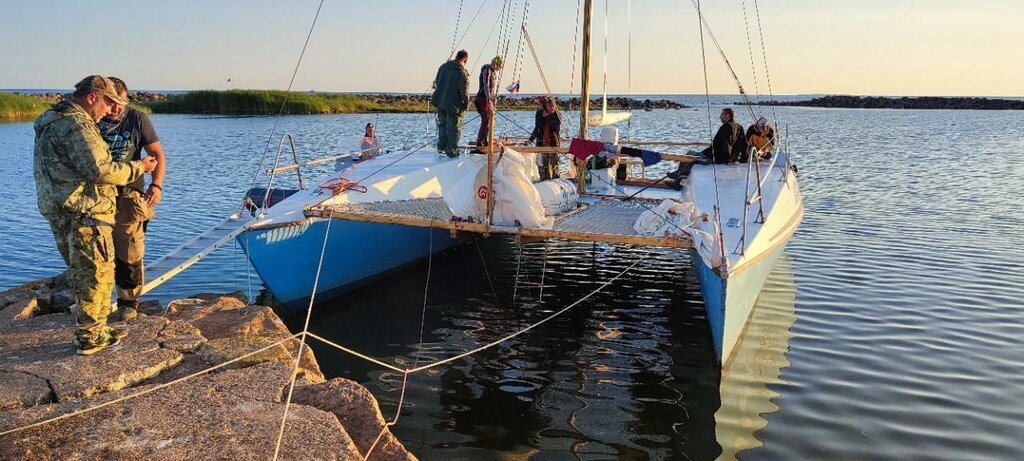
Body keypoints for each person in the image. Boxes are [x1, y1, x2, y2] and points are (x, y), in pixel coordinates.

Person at [33, 75, 157, 355]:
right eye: (107, 103)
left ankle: (97, 328)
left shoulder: (51, 119)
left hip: (61, 208)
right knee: (95, 275)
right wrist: (139, 168)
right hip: (85, 210)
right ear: (92, 98)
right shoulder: (77, 124)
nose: (108, 111)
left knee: (85, 272)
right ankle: (90, 338)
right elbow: (101, 169)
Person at [98, 77, 166, 322]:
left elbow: (157, 154)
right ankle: (97, 302)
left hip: (129, 196)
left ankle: (128, 301)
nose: (117, 108)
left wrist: (156, 185)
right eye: (113, 102)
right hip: (96, 196)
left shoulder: (137, 119)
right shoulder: (89, 120)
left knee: (130, 249)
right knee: (97, 250)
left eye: (122, 102)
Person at [668, 108, 744, 186]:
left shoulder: (726, 127)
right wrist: (743, 160)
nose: (720, 117)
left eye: (722, 114)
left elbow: (726, 144)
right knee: (692, 158)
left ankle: (677, 179)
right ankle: (678, 175)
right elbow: (744, 145)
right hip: (716, 155)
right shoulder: (740, 127)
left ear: (727, 115)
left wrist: (728, 160)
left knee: (688, 156)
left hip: (714, 157)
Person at [431, 50, 470, 158]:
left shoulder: (443, 67)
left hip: (440, 101)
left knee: (442, 125)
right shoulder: (461, 72)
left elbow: (437, 81)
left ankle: (441, 147)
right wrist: (466, 104)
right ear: (465, 60)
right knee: (454, 128)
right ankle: (452, 151)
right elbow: (464, 90)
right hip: (453, 104)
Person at [474, 55, 504, 150]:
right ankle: (480, 143)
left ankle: (486, 141)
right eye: (499, 66)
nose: (499, 68)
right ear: (495, 64)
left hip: (488, 99)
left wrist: (493, 98)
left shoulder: (492, 72)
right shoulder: (487, 70)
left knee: (489, 121)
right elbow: (486, 85)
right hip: (483, 99)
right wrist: (489, 98)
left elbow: (491, 88)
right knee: (486, 120)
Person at [528, 97, 562, 180]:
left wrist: (548, 117)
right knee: (542, 164)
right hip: (541, 141)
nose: (551, 108)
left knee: (554, 163)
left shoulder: (557, 114)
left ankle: (556, 180)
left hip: (553, 142)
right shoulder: (539, 113)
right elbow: (537, 127)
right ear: (546, 106)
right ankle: (544, 180)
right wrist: (530, 140)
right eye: (549, 106)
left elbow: (556, 127)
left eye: (553, 106)